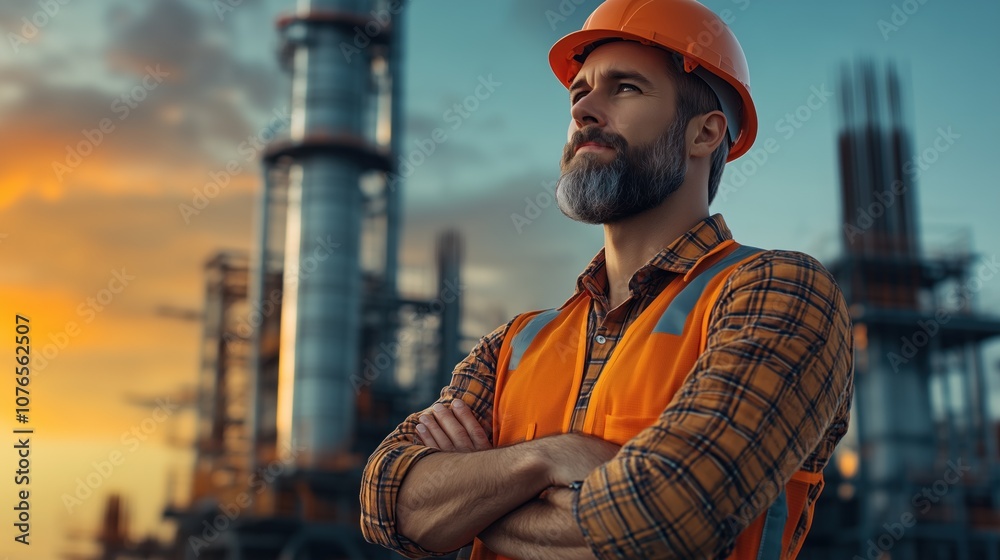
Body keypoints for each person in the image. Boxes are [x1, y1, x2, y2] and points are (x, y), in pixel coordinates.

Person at [360, 0, 854, 558]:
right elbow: (387, 503)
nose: (584, 110)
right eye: (579, 92)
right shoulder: (514, 344)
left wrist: (473, 504)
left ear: (704, 133)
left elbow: (670, 518)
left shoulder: (778, 292)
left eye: (625, 88)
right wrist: (546, 458)